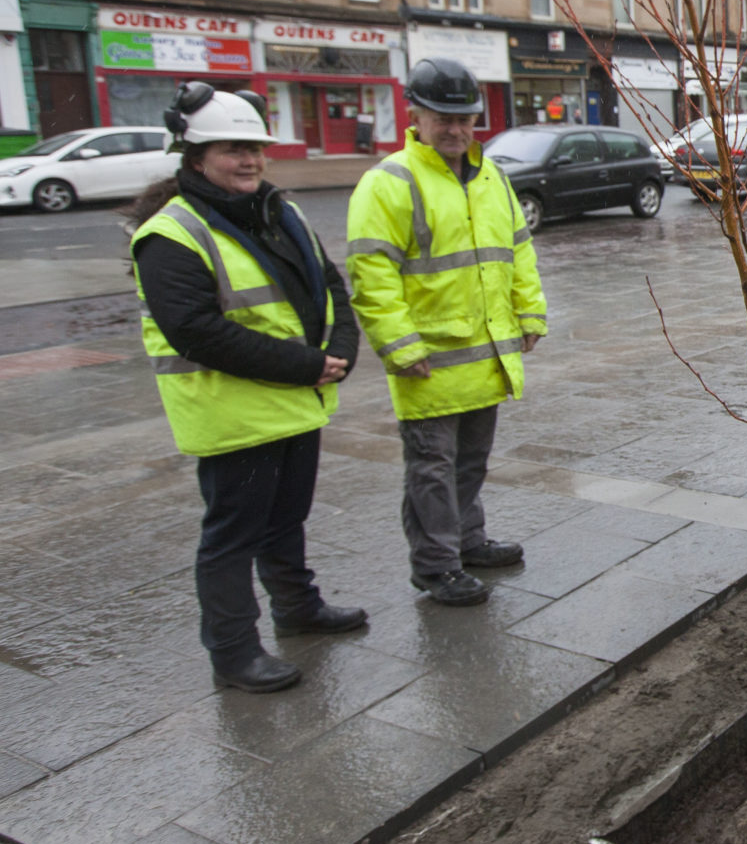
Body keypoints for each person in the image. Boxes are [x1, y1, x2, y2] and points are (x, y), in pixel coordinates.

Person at [130, 82, 365, 693]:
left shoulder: (276, 209)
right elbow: (196, 332)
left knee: (287, 519)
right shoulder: (170, 233)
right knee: (231, 537)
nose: (249, 160)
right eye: (233, 149)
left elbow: (329, 285)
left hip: (293, 403)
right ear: (196, 156)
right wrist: (307, 366)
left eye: (255, 148)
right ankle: (233, 653)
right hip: (234, 414)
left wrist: (340, 349)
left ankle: (297, 607)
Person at [347, 59, 546, 607]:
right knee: (432, 468)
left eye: (466, 119)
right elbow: (372, 275)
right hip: (429, 357)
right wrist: (399, 346)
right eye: (443, 118)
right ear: (415, 114)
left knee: (470, 461)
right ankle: (436, 566)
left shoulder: (491, 178)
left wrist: (529, 314)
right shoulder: (390, 182)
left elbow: (518, 252)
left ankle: (467, 539)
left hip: (485, 354)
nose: (456, 129)